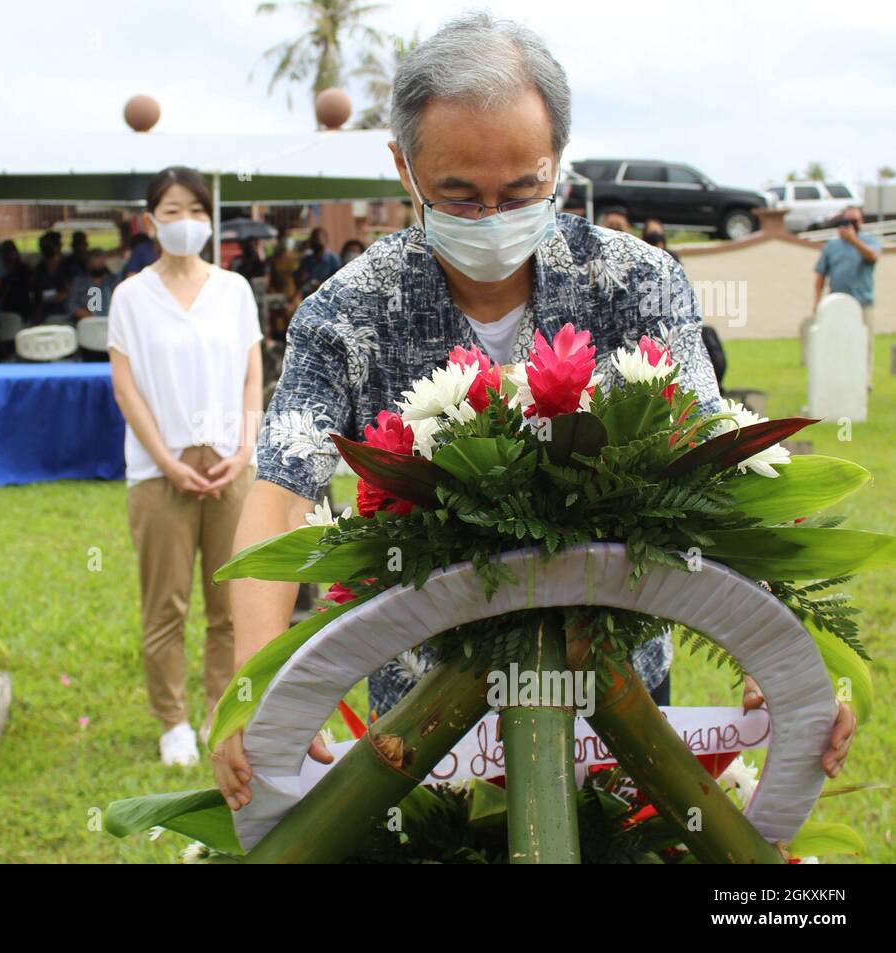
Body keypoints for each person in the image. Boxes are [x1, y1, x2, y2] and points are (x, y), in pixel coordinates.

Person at [214, 10, 856, 811]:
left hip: (619, 721)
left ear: (559, 161)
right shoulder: (351, 311)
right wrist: (258, 680)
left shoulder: (635, 282)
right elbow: (279, 490)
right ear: (403, 168)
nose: (491, 218)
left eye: (522, 190)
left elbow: (715, 466)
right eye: (459, 194)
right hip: (420, 731)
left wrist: (782, 655)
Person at [107, 165, 264, 767]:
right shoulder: (131, 297)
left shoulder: (233, 290)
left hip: (229, 465)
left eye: (196, 212)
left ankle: (217, 711)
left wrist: (244, 450)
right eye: (172, 211)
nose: (185, 223)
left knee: (229, 604)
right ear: (150, 221)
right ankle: (170, 719)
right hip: (159, 470)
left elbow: (253, 373)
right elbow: (126, 387)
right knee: (165, 604)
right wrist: (167, 461)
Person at [814, 206, 881, 389]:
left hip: (862, 302)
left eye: (854, 221)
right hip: (837, 304)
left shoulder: (870, 241)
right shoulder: (832, 246)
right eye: (846, 222)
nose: (850, 225)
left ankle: (864, 384)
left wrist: (853, 240)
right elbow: (821, 275)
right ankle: (839, 381)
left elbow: (873, 257)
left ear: (861, 222)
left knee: (864, 345)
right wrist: (817, 302)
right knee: (837, 344)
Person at [67, 249, 119, 321]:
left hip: (110, 322)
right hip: (87, 324)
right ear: (88, 263)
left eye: (100, 263)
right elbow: (70, 305)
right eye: (94, 263)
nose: (97, 266)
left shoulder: (112, 281)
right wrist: (85, 314)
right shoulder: (79, 282)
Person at [32, 230, 72, 323]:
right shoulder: (40, 268)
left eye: (49, 245)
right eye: (43, 246)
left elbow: (73, 289)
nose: (45, 249)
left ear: (58, 246)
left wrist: (62, 295)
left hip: (66, 313)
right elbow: (36, 293)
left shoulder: (69, 266)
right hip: (44, 314)